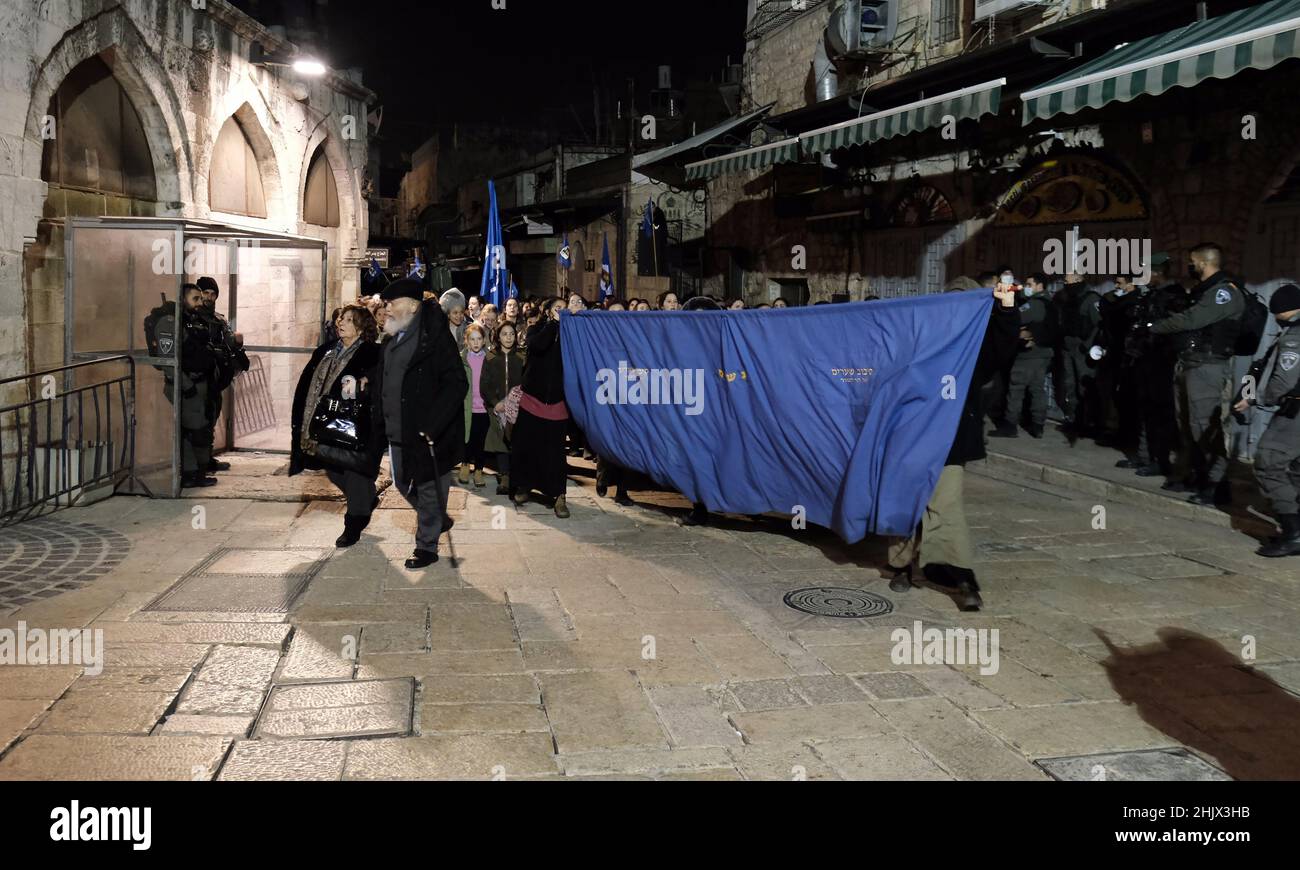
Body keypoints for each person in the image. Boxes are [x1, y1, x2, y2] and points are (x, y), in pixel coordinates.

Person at [889, 278, 1020, 611]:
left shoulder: (974, 349)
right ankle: (902, 566)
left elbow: (1003, 348)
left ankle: (963, 579)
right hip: (911, 438)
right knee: (908, 504)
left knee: (947, 508)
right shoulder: (919, 340)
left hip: (950, 442)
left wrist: (1005, 308)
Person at [373, 278, 468, 569]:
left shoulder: (434, 337)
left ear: (412, 306)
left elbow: (456, 384)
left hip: (429, 433)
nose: (386, 309)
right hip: (398, 431)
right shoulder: (392, 337)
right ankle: (437, 518)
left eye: (392, 303)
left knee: (428, 488)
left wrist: (433, 424)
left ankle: (426, 547)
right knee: (402, 483)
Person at [1150, 243, 1245, 505]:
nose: (1189, 267)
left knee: (1206, 427)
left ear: (1204, 263)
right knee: (1189, 426)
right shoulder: (1205, 291)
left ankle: (1217, 485)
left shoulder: (1223, 292)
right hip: (1190, 364)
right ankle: (1197, 475)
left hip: (1208, 366)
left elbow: (1192, 320)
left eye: (1192, 262)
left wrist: (1156, 327)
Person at [290, 304, 383, 547]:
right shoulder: (326, 351)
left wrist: (365, 386)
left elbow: (378, 386)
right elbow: (309, 385)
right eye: (341, 318)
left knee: (354, 475)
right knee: (333, 469)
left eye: (349, 320)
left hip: (357, 428)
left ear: (362, 327)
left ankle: (352, 526)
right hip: (326, 424)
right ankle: (366, 499)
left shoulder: (373, 353)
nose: (341, 322)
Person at [1235, 284, 1300, 556]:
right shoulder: (1289, 333)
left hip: (1294, 412)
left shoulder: (1293, 337)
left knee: (1268, 464)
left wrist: (1258, 399)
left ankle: (1294, 533)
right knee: (1295, 469)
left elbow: (1282, 382)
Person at [511, 296, 571, 518]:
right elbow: (538, 346)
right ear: (547, 312)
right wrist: (553, 324)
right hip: (533, 399)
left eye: (565, 309)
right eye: (557, 308)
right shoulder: (536, 329)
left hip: (558, 401)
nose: (561, 311)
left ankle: (559, 496)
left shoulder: (571, 333)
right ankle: (524, 487)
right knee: (527, 447)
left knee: (555, 452)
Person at [1129, 255, 1189, 478]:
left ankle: (1161, 460)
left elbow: (1176, 328)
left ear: (1157, 272)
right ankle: (1146, 455)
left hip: (1163, 362)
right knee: (1146, 411)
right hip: (1146, 359)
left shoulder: (1175, 295)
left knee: (1162, 413)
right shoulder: (1152, 294)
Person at [163, 284, 222, 488]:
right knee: (190, 431)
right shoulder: (170, 323)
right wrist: (186, 385)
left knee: (200, 429)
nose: (200, 302)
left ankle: (198, 472)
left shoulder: (193, 321)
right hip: (188, 385)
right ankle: (190, 475)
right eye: (195, 298)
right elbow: (168, 359)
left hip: (201, 384)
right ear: (183, 299)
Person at [991, 272, 1056, 439]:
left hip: (1029, 353)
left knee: (1016, 389)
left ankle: (1010, 425)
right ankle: (1037, 425)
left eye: (1029, 284)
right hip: (1044, 353)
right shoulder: (1050, 302)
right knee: (1037, 389)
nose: (1026, 288)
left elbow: (1016, 317)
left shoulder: (1035, 304)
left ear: (1039, 286)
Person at [195, 276, 248, 472]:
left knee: (211, 417)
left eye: (212, 294)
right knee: (198, 421)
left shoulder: (218, 319)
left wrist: (236, 342)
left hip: (215, 378)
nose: (209, 297)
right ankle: (196, 464)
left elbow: (228, 341)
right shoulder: (192, 318)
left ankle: (206, 459)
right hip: (198, 378)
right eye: (205, 293)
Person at [1053, 272, 1103, 438]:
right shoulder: (1067, 298)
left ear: (1079, 280)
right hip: (1067, 346)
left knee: (1085, 386)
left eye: (1068, 281)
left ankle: (1091, 422)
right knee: (1070, 385)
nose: (1065, 284)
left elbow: (1098, 325)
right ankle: (1076, 420)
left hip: (1082, 348)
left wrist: (1087, 345)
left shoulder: (1091, 298)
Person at [480, 320, 525, 495]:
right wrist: (494, 402)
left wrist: (516, 402)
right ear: (498, 336)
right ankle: (504, 475)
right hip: (497, 407)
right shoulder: (490, 357)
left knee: (516, 440)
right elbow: (485, 383)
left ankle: (517, 475)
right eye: (505, 334)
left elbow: (526, 382)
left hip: (517, 407)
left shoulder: (521, 356)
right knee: (500, 441)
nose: (509, 337)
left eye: (512, 334)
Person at [459, 323, 491, 489]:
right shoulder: (462, 358)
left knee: (481, 441)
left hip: (484, 408)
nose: (476, 342)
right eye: (472, 339)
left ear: (484, 340)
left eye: (479, 339)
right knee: (467, 440)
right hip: (467, 408)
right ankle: (464, 466)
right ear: (467, 341)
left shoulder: (489, 358)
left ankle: (479, 469)